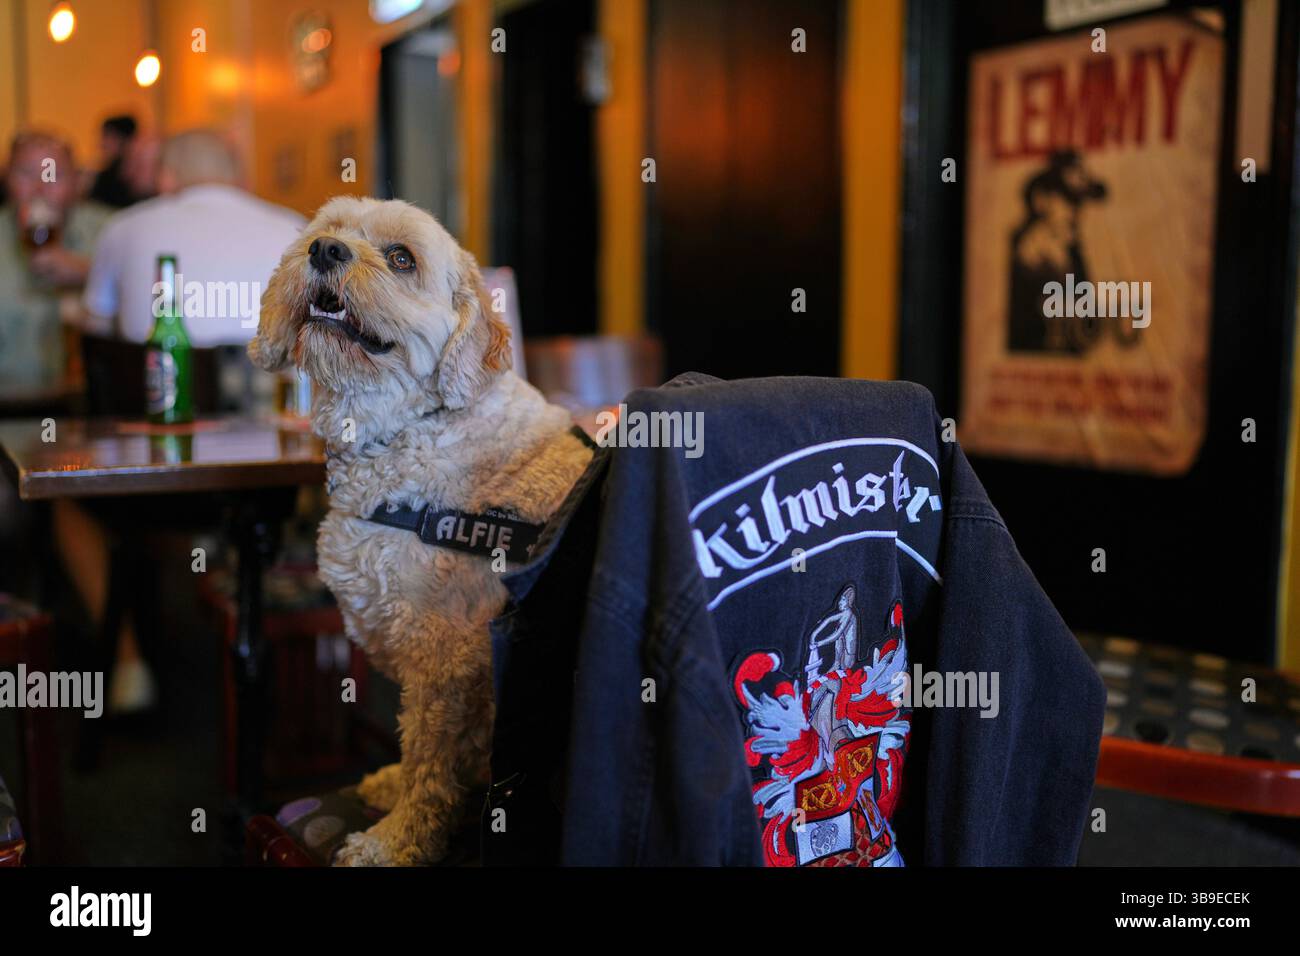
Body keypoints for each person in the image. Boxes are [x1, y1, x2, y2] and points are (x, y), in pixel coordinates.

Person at [83, 128, 304, 349]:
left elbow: (96, 327)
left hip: (158, 379)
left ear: (166, 177)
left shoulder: (123, 227)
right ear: (236, 174)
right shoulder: (297, 229)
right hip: (269, 380)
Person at [0, 130, 112, 389]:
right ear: (6, 180)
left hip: (90, 409)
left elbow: (157, 293)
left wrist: (88, 273)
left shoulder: (112, 231)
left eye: (54, 175)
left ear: (78, 182)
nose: (40, 188)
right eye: (26, 174)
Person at [87, 115, 141, 209]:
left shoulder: (132, 177)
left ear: (124, 140)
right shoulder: (105, 175)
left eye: (108, 137)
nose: (102, 144)